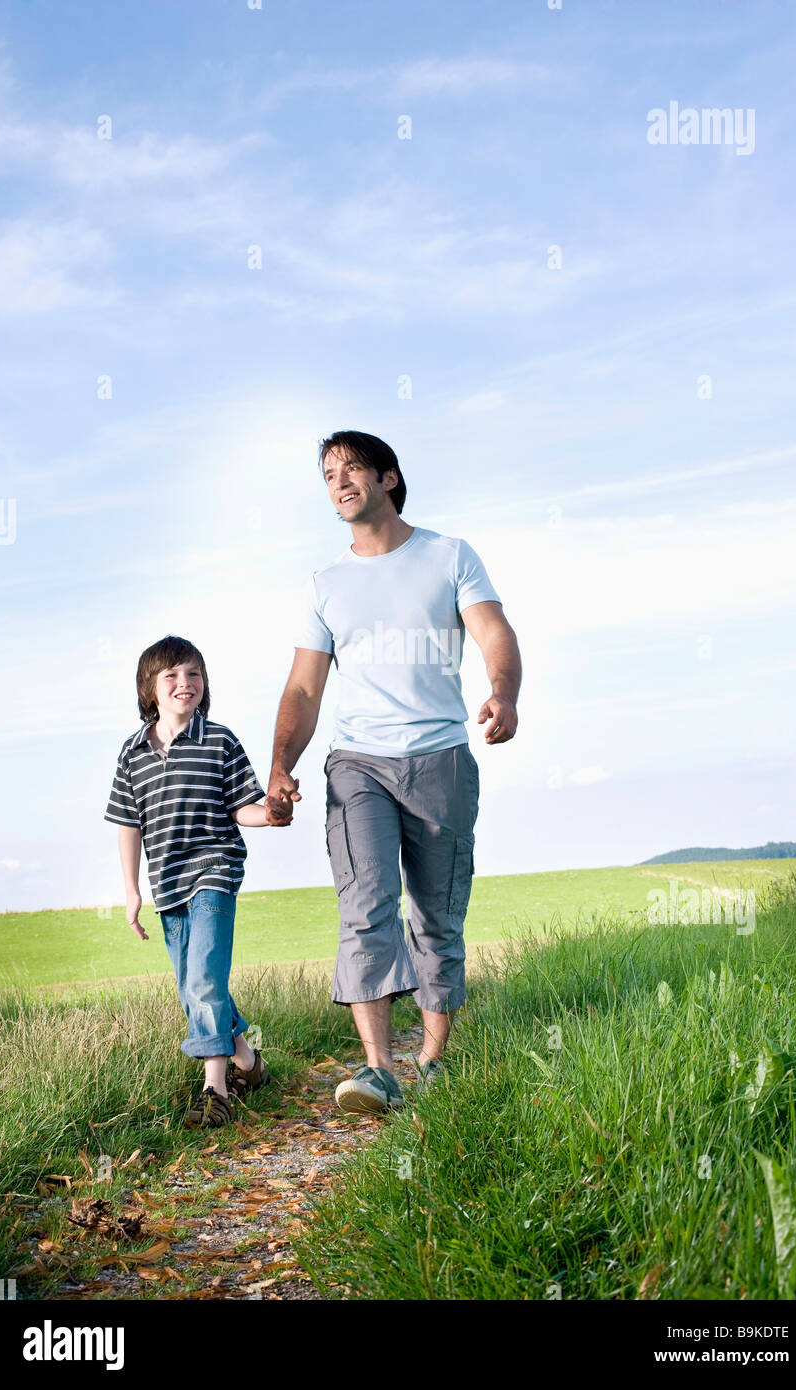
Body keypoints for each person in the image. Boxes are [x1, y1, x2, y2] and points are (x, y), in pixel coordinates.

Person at [265, 431, 522, 1114]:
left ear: (388, 477)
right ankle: (379, 1069)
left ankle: (435, 1056)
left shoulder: (448, 555)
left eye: (351, 468)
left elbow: (494, 632)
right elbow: (302, 690)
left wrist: (504, 692)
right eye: (327, 474)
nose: (339, 481)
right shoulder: (324, 584)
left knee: (437, 916)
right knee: (366, 905)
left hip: (440, 757)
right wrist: (281, 763)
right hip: (358, 766)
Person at [104, 635, 289, 1128]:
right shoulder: (132, 753)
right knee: (193, 987)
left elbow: (242, 806)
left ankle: (216, 1090)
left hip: (214, 872)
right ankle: (249, 1064)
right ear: (151, 689)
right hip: (167, 884)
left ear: (204, 685)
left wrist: (269, 814)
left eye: (193, 675)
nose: (184, 683)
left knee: (205, 978)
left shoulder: (220, 740)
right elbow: (129, 823)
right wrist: (131, 890)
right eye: (172, 676)